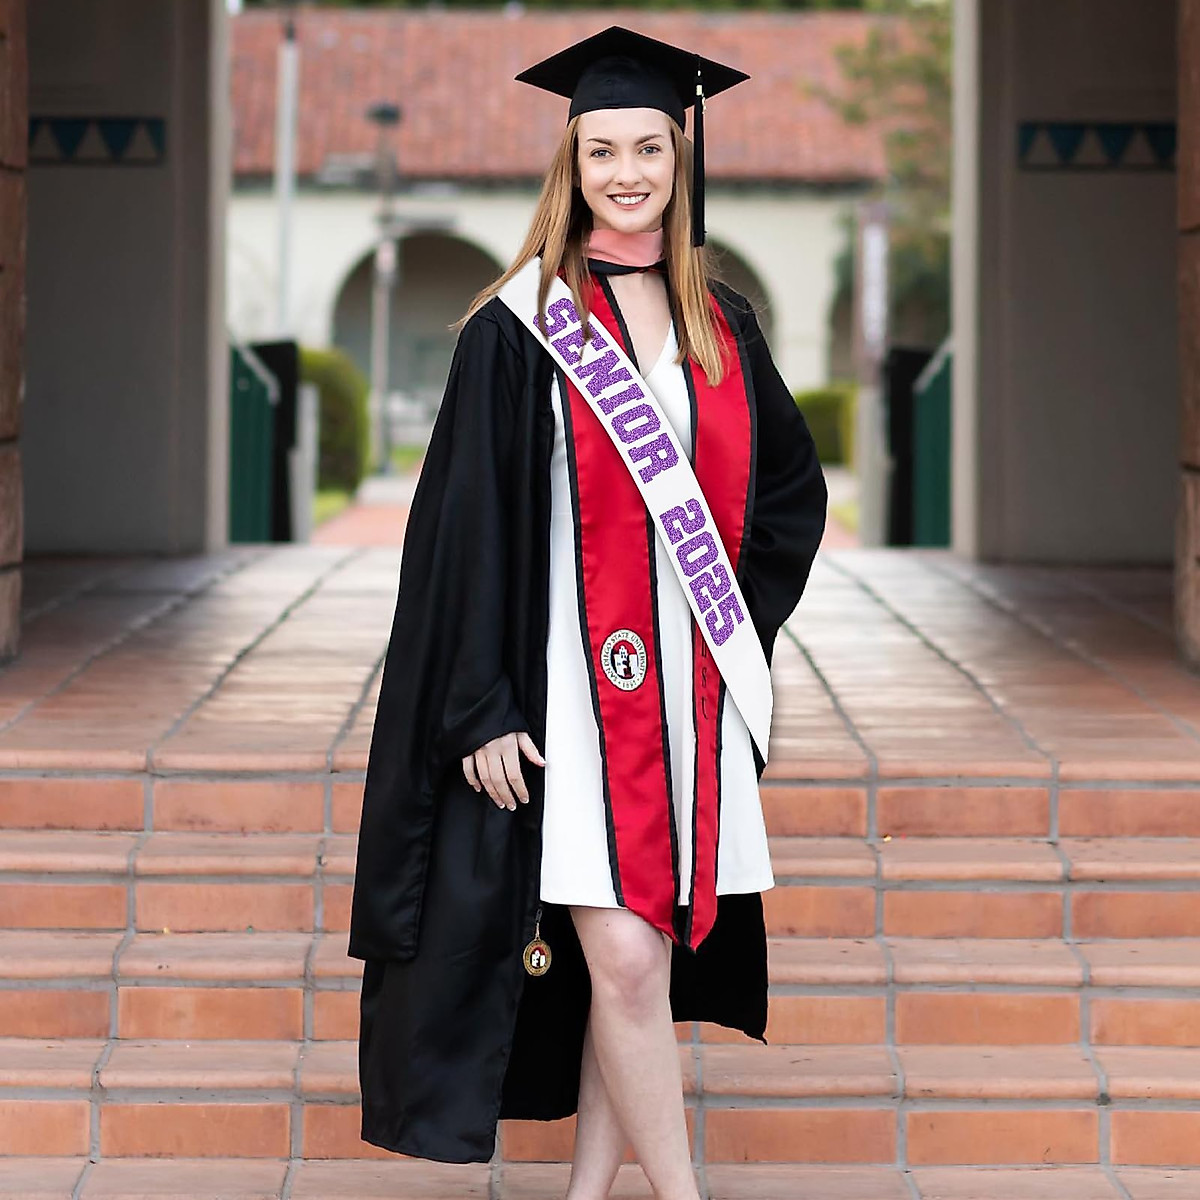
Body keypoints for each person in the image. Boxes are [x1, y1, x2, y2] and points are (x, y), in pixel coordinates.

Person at [349, 25, 827, 1200]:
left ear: (681, 155)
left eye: (649, 148)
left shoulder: (724, 325)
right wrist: (478, 706)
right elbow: (458, 534)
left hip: (685, 694)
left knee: (640, 962)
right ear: (572, 164)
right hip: (567, 683)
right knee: (617, 949)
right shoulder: (519, 329)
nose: (628, 172)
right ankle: (683, 1194)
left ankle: (587, 1195)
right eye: (603, 149)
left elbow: (791, 497)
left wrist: (732, 632)